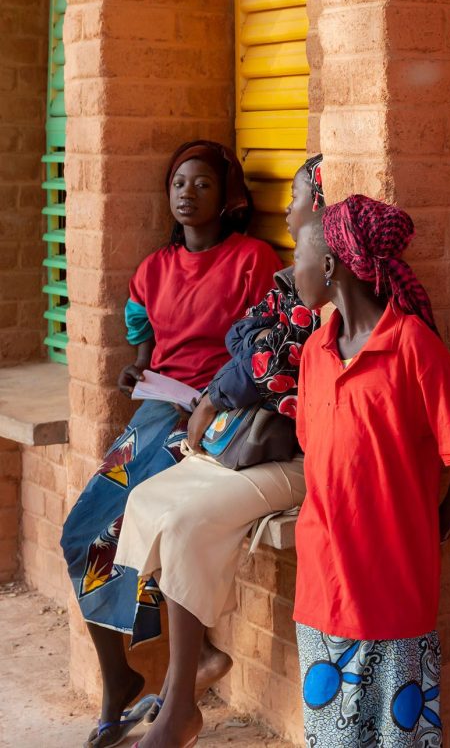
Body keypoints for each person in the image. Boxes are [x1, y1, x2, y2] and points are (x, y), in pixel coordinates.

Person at [60, 141, 281, 748]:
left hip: (211, 418)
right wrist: (137, 366)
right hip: (155, 412)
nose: (187, 193)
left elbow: (261, 346)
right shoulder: (154, 267)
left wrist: (216, 397)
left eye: (202, 184)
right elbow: (141, 326)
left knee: (128, 530)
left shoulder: (252, 260)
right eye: (179, 182)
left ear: (229, 197)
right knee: (83, 536)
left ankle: (192, 656)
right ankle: (121, 677)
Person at [115, 154, 327, 748]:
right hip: (220, 430)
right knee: (128, 511)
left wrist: (215, 394)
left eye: (297, 199)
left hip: (285, 451)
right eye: (179, 183)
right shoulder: (290, 282)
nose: (285, 209)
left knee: (174, 520)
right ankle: (150, 683)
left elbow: (262, 360)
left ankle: (174, 701)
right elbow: (251, 345)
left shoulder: (286, 274)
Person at [290, 196, 450, 747]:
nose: (293, 269)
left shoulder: (412, 347)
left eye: (299, 255)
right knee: (332, 739)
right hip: (323, 593)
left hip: (396, 600)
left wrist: (435, 523)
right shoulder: (314, 352)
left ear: (332, 266)